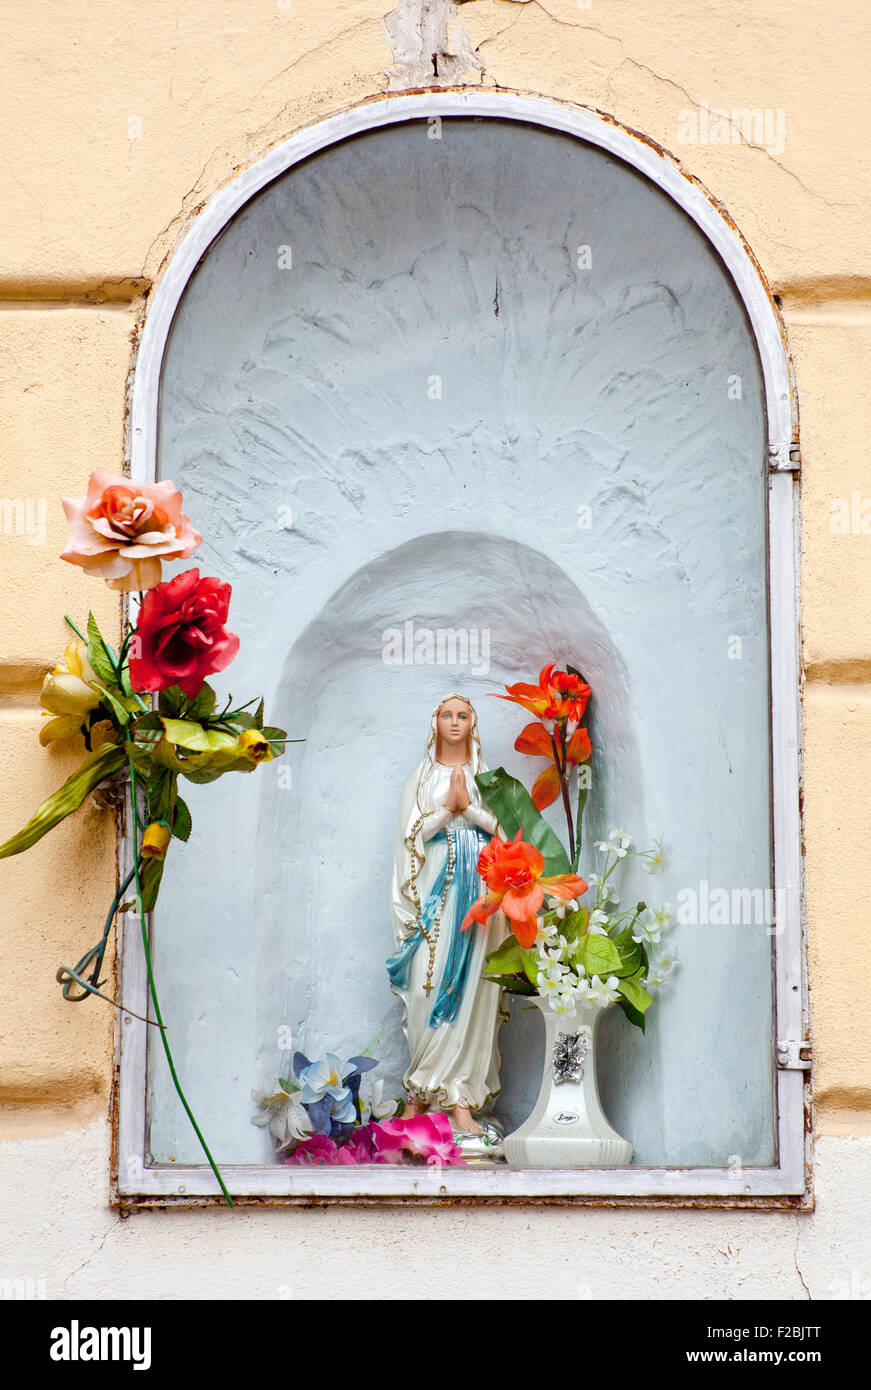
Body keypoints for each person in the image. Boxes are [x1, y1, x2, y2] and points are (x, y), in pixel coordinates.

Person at [387, 693, 508, 1152]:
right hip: (433, 894)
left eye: (463, 715)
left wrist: (470, 808)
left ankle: (460, 1097)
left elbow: (507, 830)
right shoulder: (419, 780)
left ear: (472, 723)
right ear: (434, 721)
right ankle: (419, 1093)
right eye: (446, 715)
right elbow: (408, 838)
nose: (454, 722)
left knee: (474, 992)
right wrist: (447, 810)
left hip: (477, 896)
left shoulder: (487, 778)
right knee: (428, 986)